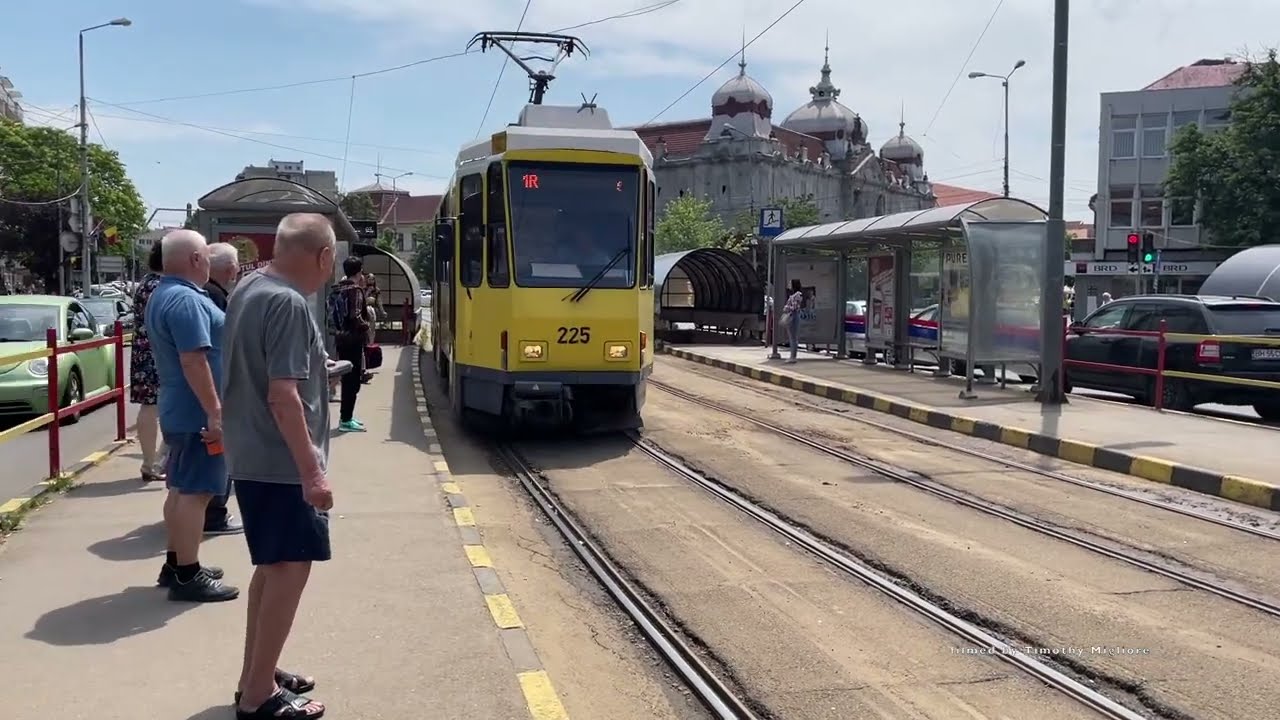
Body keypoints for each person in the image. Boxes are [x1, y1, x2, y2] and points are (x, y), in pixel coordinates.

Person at [223, 212, 335, 718]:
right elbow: (283, 396)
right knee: (290, 569)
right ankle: (258, 696)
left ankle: (257, 674)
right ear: (324, 256)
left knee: (272, 570)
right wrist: (313, 472)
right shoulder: (289, 302)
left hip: (252, 452)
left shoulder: (249, 287)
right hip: (281, 460)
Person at [147, 229, 237, 602]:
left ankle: (177, 564)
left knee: (181, 488)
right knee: (196, 493)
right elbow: (194, 360)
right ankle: (187, 575)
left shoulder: (165, 294)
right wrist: (215, 413)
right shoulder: (187, 300)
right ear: (197, 259)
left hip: (180, 407)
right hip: (196, 413)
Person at [202, 242, 243, 536]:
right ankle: (214, 515)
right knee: (217, 454)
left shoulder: (203, 292)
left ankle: (208, 512)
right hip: (216, 388)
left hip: (204, 389)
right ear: (230, 269)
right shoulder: (214, 297)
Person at [131, 242, 167, 483]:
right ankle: (157, 462)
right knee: (166, 407)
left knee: (149, 406)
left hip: (142, 350)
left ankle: (149, 462)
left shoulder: (144, 283)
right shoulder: (162, 286)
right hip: (159, 350)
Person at [327, 255, 369, 433]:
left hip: (340, 338)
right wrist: (366, 326)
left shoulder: (337, 289)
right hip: (353, 340)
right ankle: (346, 419)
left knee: (347, 377)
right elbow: (355, 315)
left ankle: (347, 417)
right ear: (359, 272)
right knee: (353, 380)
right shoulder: (355, 290)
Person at [780, 279, 804, 364]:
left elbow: (794, 307)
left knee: (793, 337)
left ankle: (793, 357)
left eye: (790, 283)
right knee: (792, 337)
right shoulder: (795, 295)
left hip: (793, 316)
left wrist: (786, 308)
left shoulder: (797, 295)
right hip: (793, 315)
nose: (789, 285)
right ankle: (792, 356)